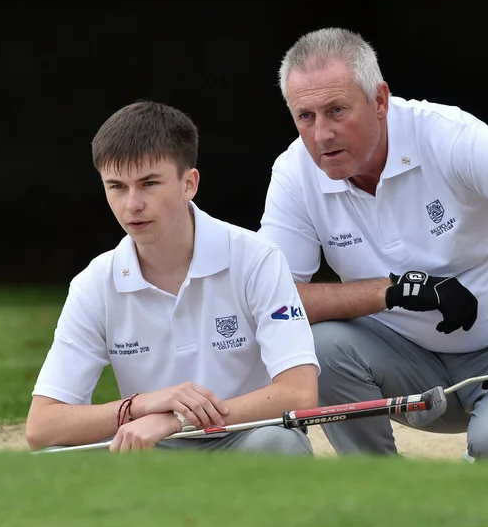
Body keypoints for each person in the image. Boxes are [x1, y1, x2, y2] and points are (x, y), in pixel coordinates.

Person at [257, 27, 488, 471]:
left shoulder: (446, 134)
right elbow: (272, 297)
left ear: (379, 100)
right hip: (410, 364)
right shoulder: (293, 172)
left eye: (336, 110)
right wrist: (396, 290)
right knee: (316, 345)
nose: (322, 134)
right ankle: (385, 499)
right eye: (305, 116)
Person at [26, 101, 319, 454]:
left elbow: (300, 393)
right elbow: (41, 427)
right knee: (54, 457)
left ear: (188, 184)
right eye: (117, 186)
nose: (132, 204)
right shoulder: (94, 283)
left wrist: (177, 419)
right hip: (153, 449)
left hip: (244, 437)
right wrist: (140, 406)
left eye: (149, 183)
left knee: (279, 444)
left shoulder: (257, 258)